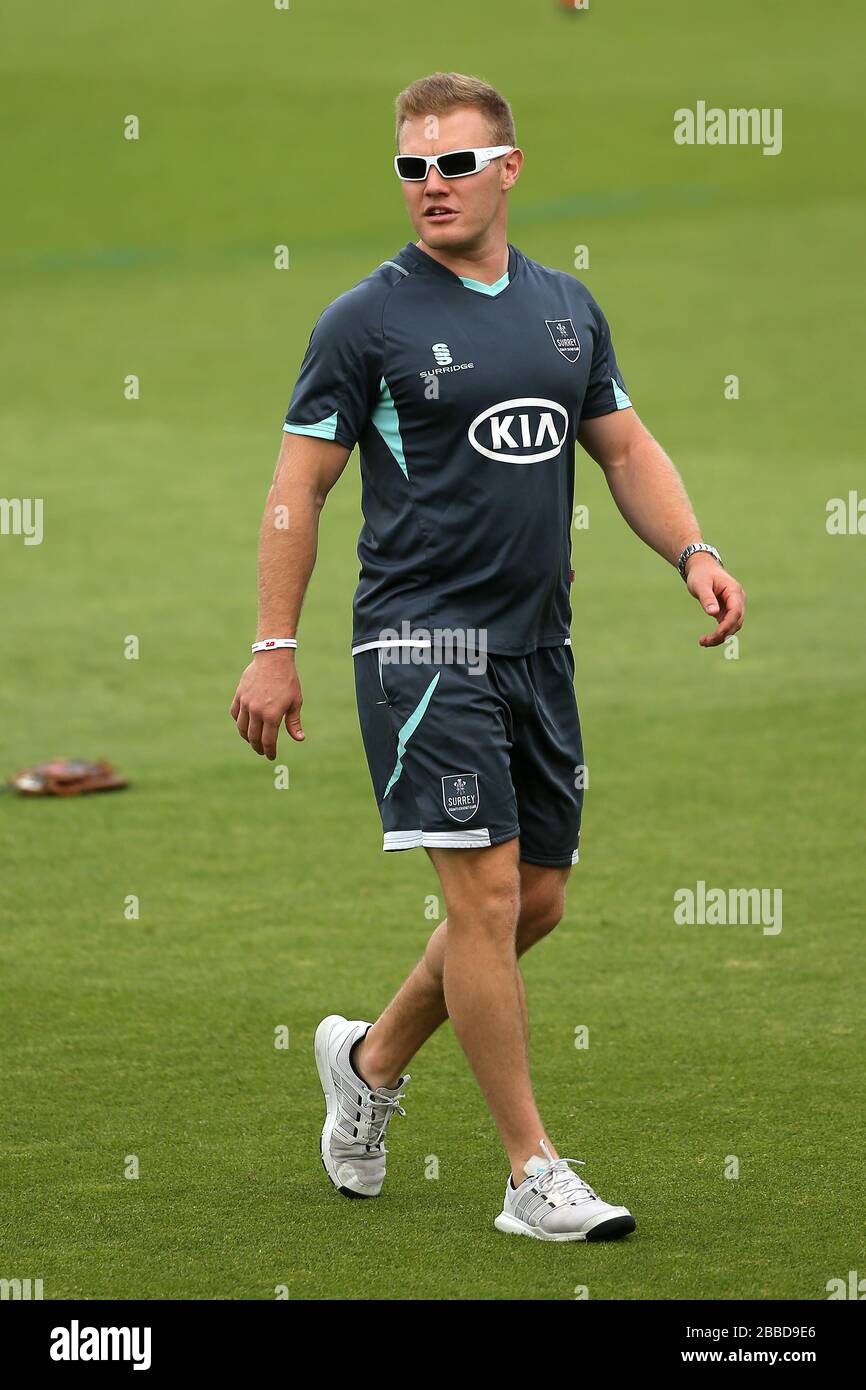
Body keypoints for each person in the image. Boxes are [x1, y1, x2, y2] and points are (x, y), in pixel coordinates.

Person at [230, 72, 746, 1242]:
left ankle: (365, 1061)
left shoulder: (564, 307)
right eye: (410, 168)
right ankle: (531, 1172)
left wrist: (692, 551)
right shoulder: (364, 320)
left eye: (452, 164)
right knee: (487, 895)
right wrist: (274, 645)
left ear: (506, 169)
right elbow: (295, 487)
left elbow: (621, 448)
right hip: (420, 646)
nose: (429, 187)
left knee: (536, 903)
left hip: (535, 648)